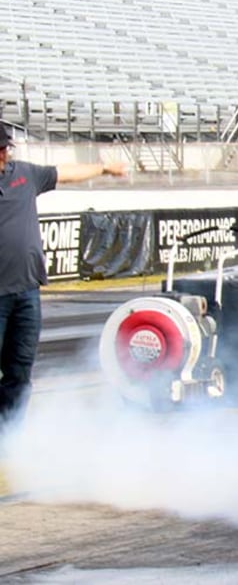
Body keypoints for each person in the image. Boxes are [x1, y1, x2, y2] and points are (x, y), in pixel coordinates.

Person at [0, 124, 127, 431]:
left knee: (20, 372)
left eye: (5, 148)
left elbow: (64, 172)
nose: (5, 153)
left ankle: (10, 436)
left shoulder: (25, 174)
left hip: (27, 290)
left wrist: (103, 168)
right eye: (1, 149)